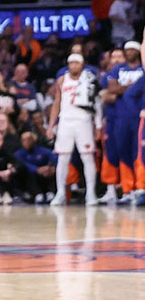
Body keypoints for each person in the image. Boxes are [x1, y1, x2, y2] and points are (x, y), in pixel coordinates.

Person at [47, 53, 100, 206]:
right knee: (63, 158)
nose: (74, 66)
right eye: (71, 63)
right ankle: (60, 193)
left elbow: (96, 103)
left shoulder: (89, 79)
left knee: (87, 157)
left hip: (84, 121)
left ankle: (91, 193)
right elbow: (56, 103)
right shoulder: (62, 80)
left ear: (82, 64)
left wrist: (98, 125)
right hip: (65, 121)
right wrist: (51, 125)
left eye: (77, 63)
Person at [101, 39, 143, 203]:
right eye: (128, 50)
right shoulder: (118, 68)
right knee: (123, 151)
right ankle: (127, 189)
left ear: (138, 51)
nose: (130, 52)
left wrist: (123, 87)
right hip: (121, 116)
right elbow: (112, 88)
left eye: (133, 50)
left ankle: (140, 187)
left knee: (138, 152)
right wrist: (134, 87)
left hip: (139, 115)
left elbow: (117, 89)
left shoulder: (142, 68)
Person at [14, 130, 57, 203]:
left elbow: (54, 156)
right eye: (23, 140)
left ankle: (51, 192)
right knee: (29, 173)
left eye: (28, 139)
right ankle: (37, 194)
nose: (26, 142)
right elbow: (23, 164)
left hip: (45, 175)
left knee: (51, 171)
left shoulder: (42, 150)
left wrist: (52, 167)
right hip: (31, 179)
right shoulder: (19, 153)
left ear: (33, 140)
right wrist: (37, 169)